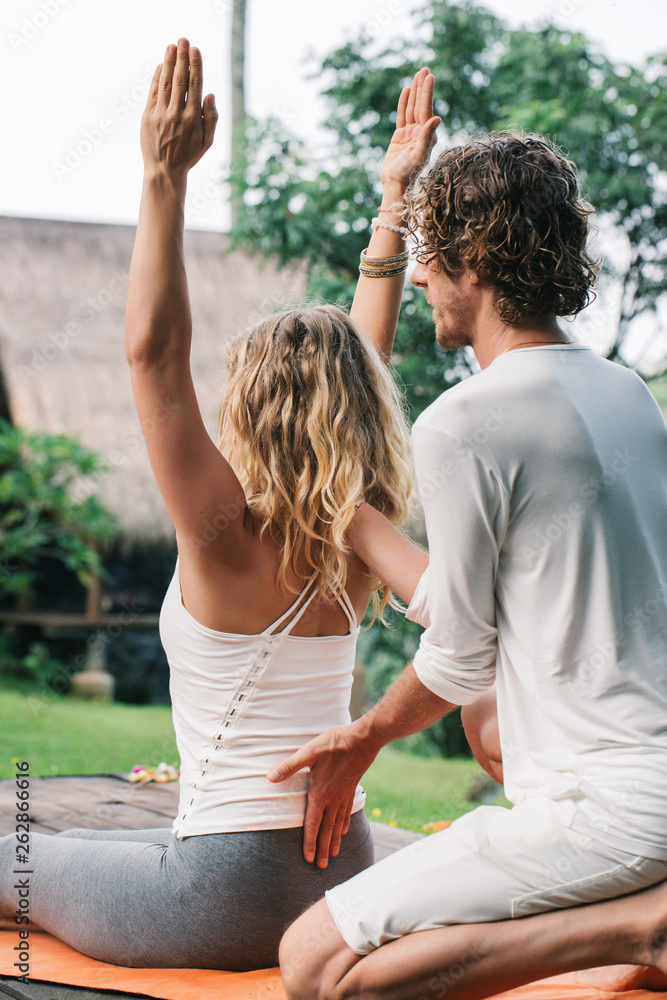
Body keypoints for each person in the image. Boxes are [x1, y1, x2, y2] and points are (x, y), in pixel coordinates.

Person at [0, 42, 441, 971]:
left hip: (224, 900)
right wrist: (391, 202)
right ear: (359, 412)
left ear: (248, 406)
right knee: (91, 848)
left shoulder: (223, 534)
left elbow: (153, 356)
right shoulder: (355, 531)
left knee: (17, 854)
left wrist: (163, 178)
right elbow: (360, 365)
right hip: (342, 876)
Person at [273, 127, 667, 996]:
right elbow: (490, 605)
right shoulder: (626, 393)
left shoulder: (461, 421)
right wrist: (351, 514)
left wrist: (364, 736)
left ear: (475, 258)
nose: (417, 277)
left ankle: (641, 927)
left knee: (315, 968)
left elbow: (459, 657)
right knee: (487, 739)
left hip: (607, 808)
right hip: (651, 786)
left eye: (429, 255)